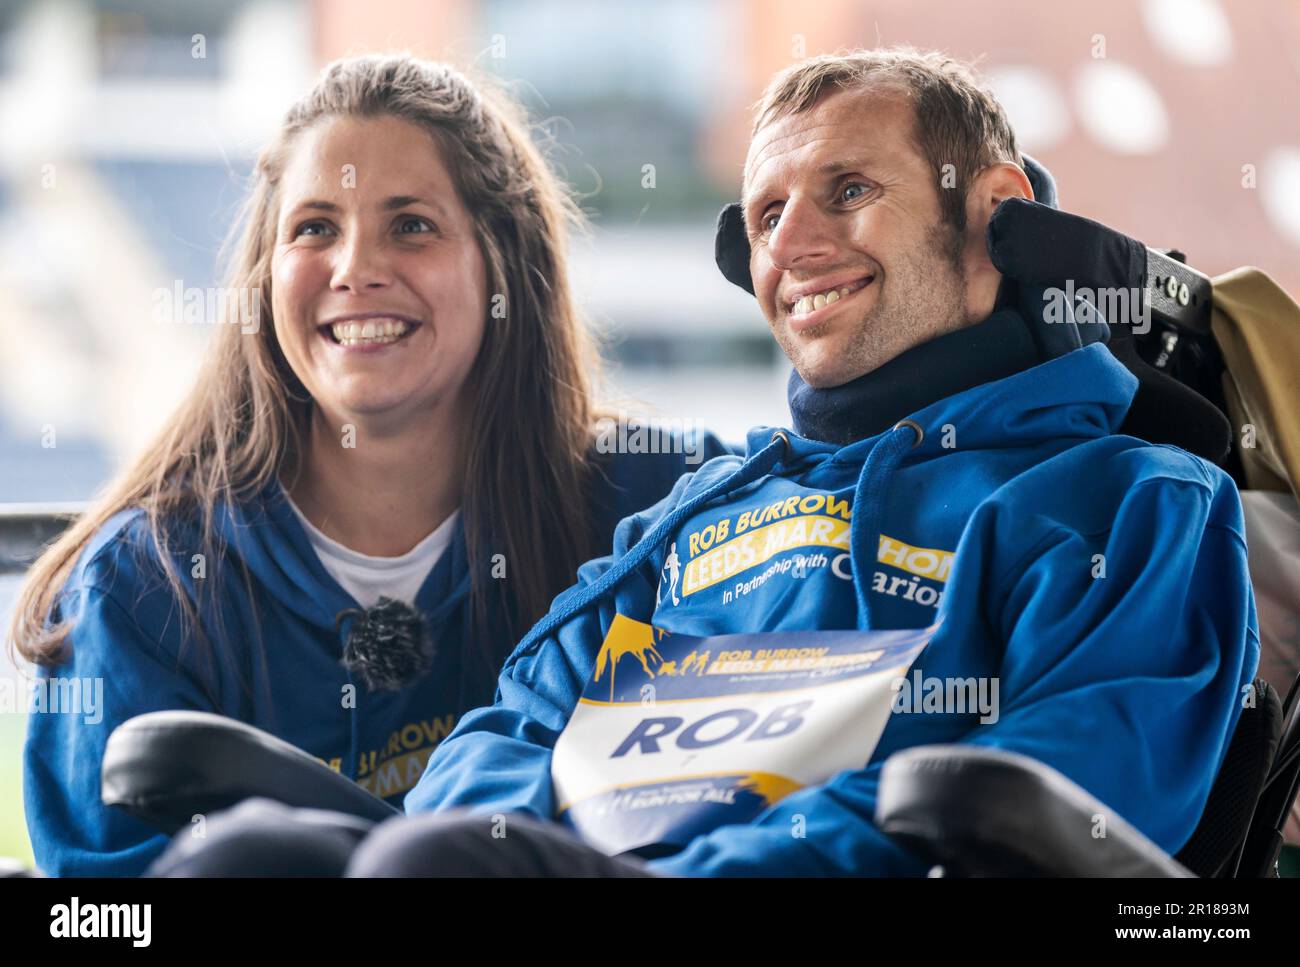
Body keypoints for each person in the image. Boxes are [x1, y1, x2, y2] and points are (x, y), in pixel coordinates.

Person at [149, 46, 1258, 878]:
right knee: (238, 859)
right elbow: (514, 727)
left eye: (849, 192)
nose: (793, 245)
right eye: (767, 211)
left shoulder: (1133, 503)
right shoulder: (696, 515)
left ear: (996, 214)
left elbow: (1072, 801)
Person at [11, 54, 727, 877]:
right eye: (315, 227)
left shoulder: (666, 506)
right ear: (265, 275)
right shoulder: (142, 587)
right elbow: (106, 912)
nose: (356, 268)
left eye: (411, 225)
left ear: (503, 264)